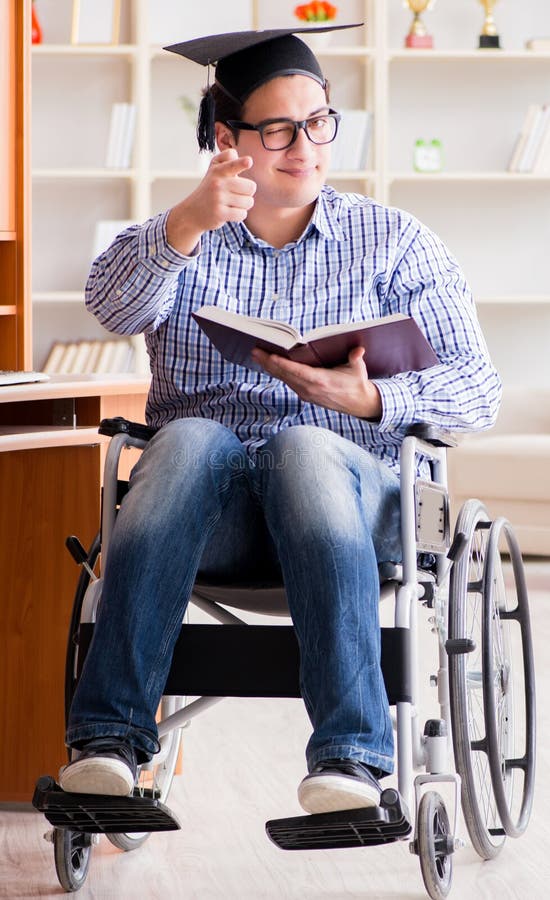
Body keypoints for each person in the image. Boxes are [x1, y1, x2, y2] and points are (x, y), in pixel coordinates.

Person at [59, 26, 501, 814]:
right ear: (227, 140)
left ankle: (351, 758)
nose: (306, 148)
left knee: (304, 446)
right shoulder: (182, 236)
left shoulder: (395, 242)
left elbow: (478, 389)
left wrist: (369, 400)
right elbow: (110, 307)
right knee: (189, 437)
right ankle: (108, 745)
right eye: (279, 130)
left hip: (356, 509)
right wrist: (184, 226)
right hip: (212, 521)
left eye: (319, 122)